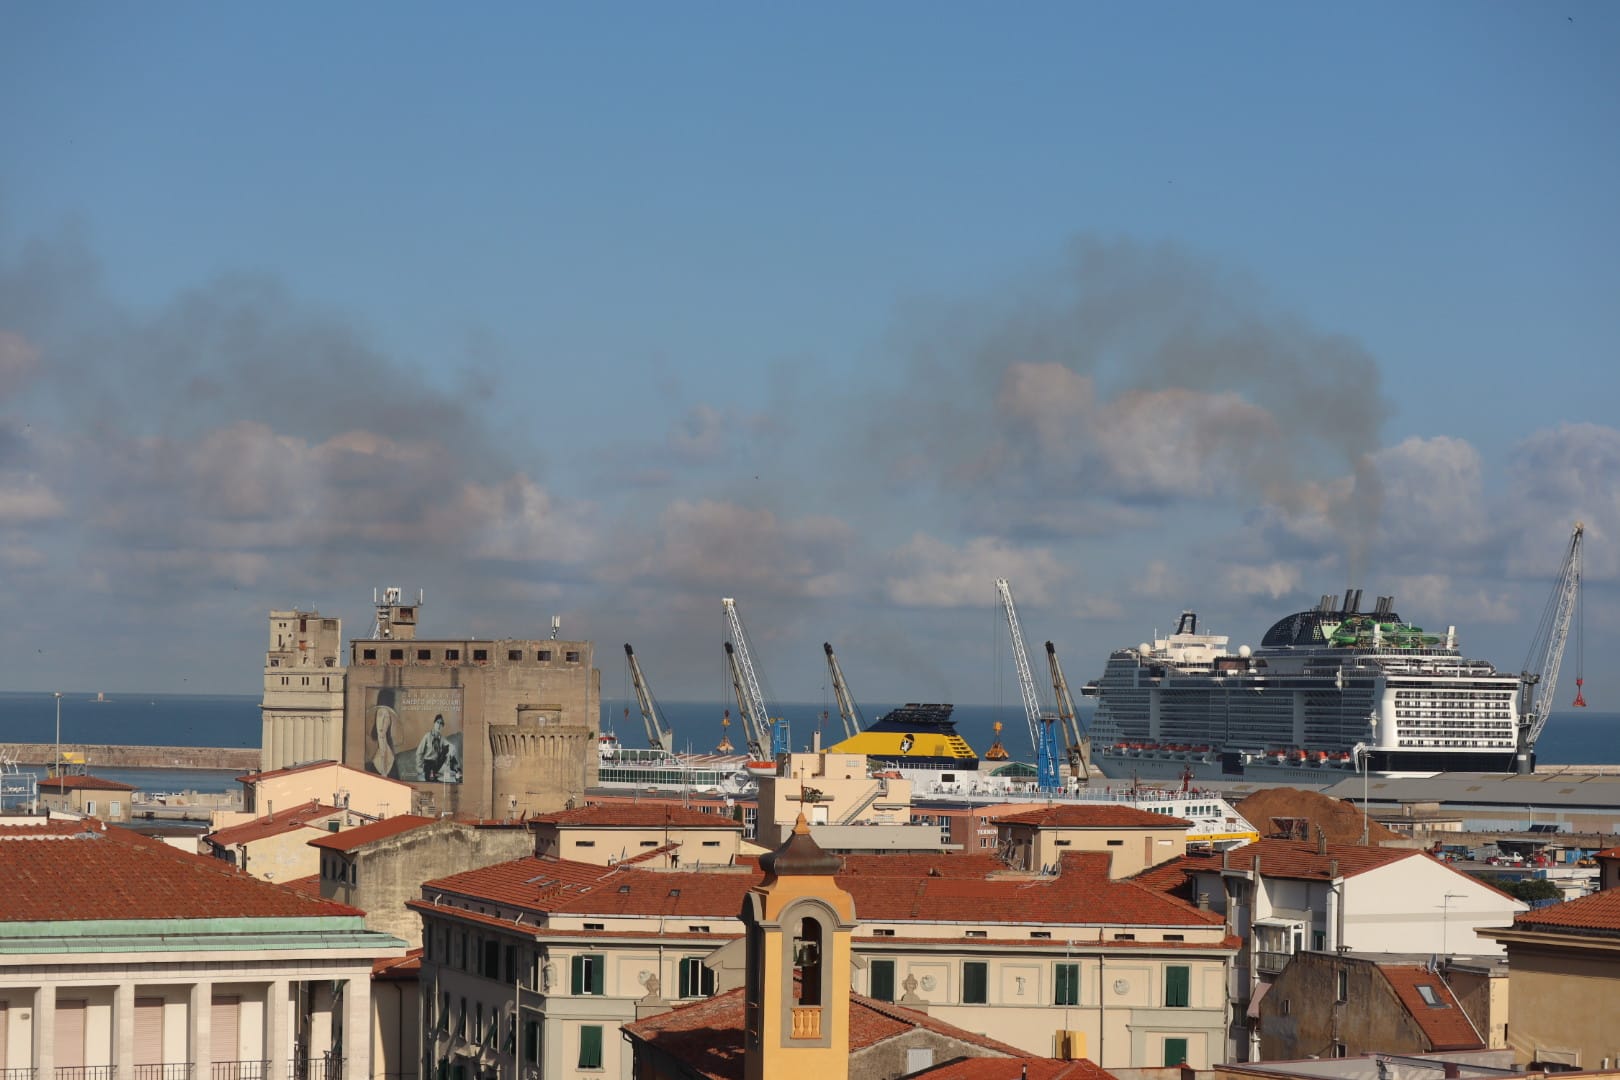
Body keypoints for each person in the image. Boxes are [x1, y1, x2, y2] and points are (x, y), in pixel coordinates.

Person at [417, 714, 452, 782]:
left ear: (442, 726)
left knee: (447, 748)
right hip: (428, 763)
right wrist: (419, 767)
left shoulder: (442, 738)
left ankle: (455, 770)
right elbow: (419, 752)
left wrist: (449, 755)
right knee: (432, 780)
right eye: (437, 722)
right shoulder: (427, 736)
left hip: (437, 763)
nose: (439, 725)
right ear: (434, 723)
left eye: (441, 723)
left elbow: (450, 746)